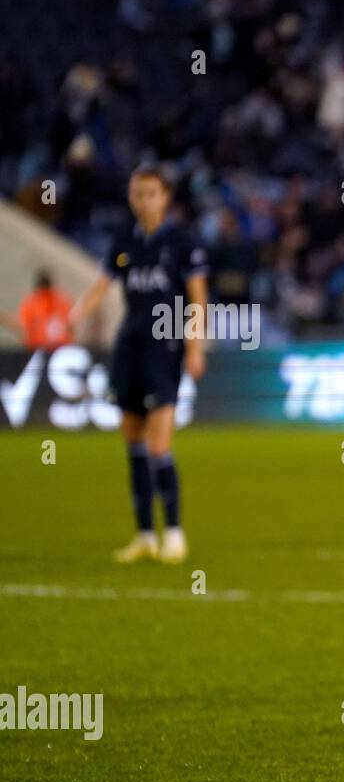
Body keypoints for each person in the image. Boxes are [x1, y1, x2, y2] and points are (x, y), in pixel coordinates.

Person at [68, 164, 208, 564]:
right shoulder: (124, 240)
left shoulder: (182, 242)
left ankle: (175, 532)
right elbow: (101, 285)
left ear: (165, 197)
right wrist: (75, 315)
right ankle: (145, 534)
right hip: (129, 344)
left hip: (165, 346)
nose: (143, 200)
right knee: (132, 439)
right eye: (136, 193)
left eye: (150, 193)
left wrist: (195, 348)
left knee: (159, 443)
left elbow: (198, 299)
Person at [0, 270, 73, 350]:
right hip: (41, 348)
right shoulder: (31, 303)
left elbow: (70, 326)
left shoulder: (59, 300)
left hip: (57, 348)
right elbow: (24, 329)